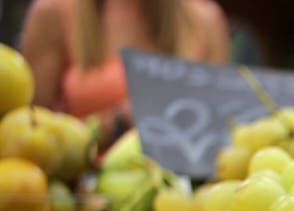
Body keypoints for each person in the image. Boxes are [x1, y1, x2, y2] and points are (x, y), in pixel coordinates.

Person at [20, 0, 229, 145]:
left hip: (183, 196)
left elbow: (221, 132)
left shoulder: (204, 20)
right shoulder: (53, 13)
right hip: (82, 194)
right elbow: (30, 135)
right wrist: (115, 123)